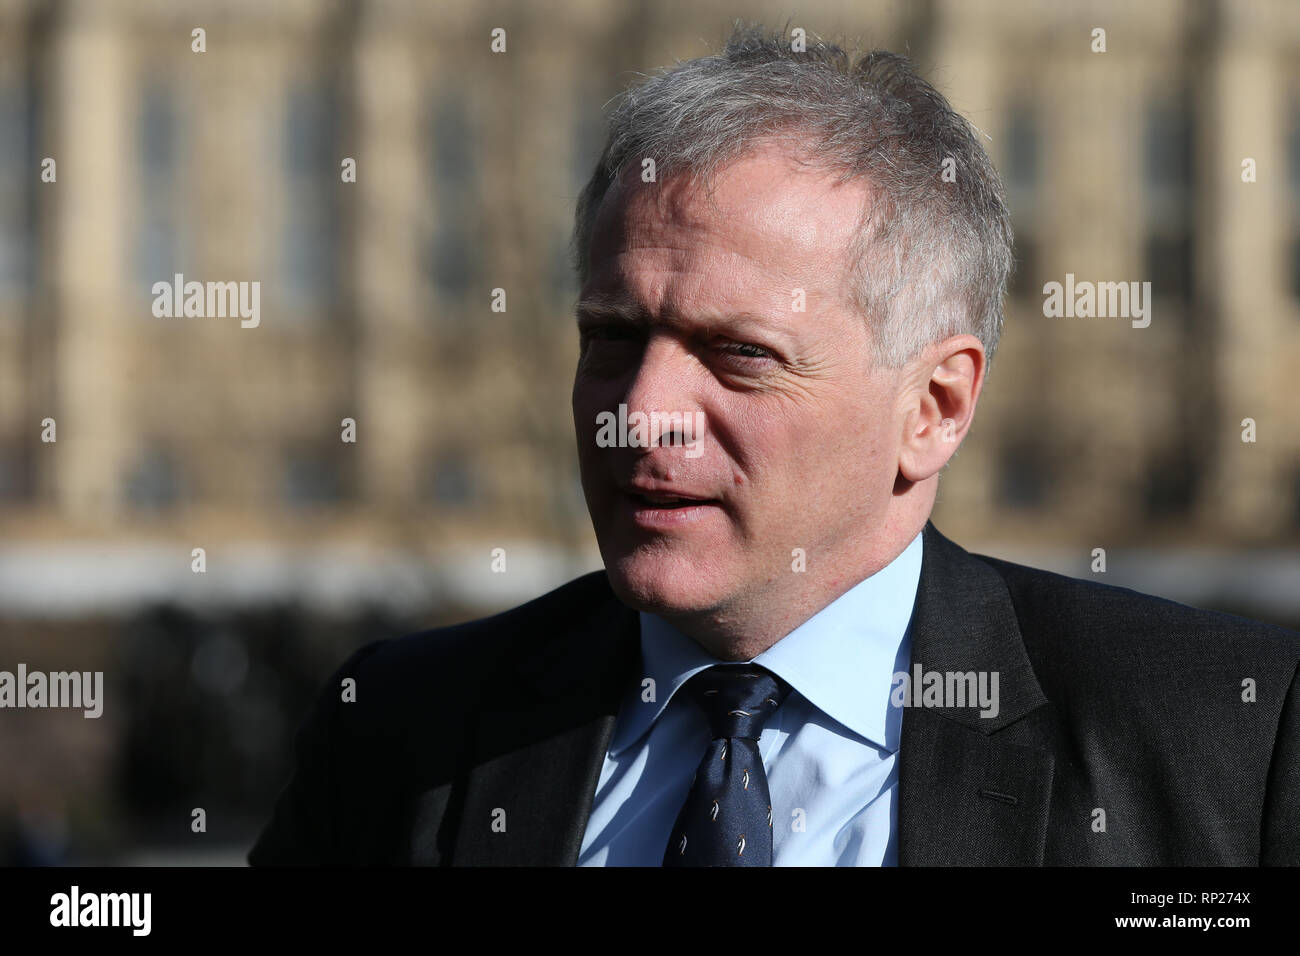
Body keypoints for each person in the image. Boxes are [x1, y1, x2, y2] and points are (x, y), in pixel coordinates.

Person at [248, 23, 1300, 866]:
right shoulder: (400, 734)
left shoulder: (1227, 742)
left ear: (932, 404)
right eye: (611, 338)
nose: (642, 409)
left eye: (739, 354)